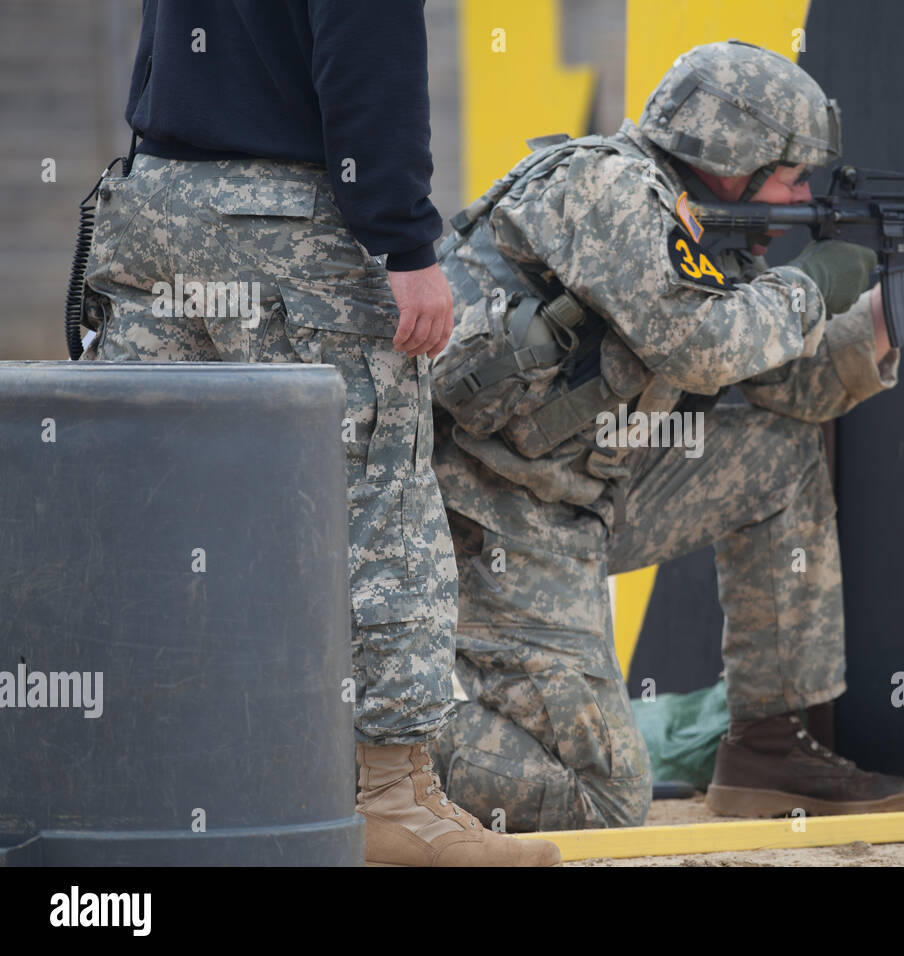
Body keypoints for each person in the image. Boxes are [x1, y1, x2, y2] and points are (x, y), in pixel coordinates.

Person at [425, 40, 904, 831]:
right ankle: (365, 742)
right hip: (481, 520)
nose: (803, 193)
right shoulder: (608, 188)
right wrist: (814, 281)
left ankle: (769, 746)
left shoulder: (705, 231)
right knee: (602, 803)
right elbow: (704, 345)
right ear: (732, 154)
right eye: (791, 173)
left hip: (576, 502)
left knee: (779, 453)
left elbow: (797, 384)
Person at [81, 0, 558, 866]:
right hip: (284, 225)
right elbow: (366, 56)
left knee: (155, 513)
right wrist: (405, 240)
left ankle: (161, 786)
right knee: (379, 501)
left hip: (151, 207)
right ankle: (389, 798)